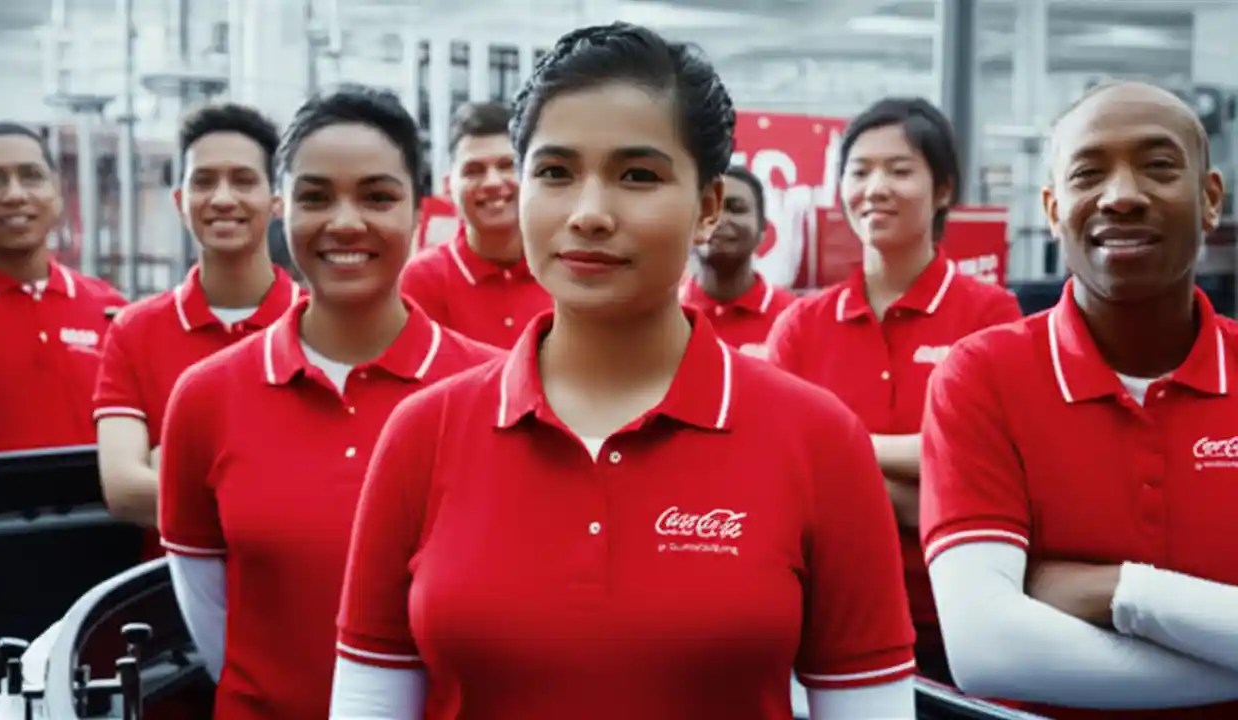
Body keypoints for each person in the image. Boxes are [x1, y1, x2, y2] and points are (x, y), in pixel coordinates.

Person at [331, 23, 915, 719]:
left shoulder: (817, 440)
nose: (589, 214)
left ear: (707, 207)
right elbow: (369, 701)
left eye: (638, 175)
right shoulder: (424, 435)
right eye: (554, 173)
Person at [157, 86, 499, 720]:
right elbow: (210, 617)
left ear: (419, 213)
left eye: (377, 196)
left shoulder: (493, 392)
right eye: (316, 197)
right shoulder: (206, 397)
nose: (346, 222)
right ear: (282, 209)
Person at [921, 79, 1238, 718]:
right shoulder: (982, 376)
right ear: (1052, 207)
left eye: (1158, 167)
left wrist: (1125, 590)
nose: (1120, 197)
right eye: (1088, 173)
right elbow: (988, 650)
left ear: (1209, 200)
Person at [766, 97, 1021, 681]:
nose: (875, 187)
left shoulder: (991, 314)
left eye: (899, 170)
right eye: (859, 171)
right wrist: (921, 479)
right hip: (827, 622)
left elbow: (996, 468)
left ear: (944, 190)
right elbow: (779, 476)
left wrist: (846, 456)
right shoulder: (801, 328)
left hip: (956, 625)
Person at [93, 103, 300, 541]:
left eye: (244, 180)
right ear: (179, 201)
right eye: (203, 181)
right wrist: (279, 496)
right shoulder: (135, 330)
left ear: (276, 201)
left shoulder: (318, 320)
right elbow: (125, 490)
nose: (223, 198)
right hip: (170, 592)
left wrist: (171, 466)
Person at [0, 121, 126, 455]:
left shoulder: (111, 310)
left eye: (31, 176)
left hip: (99, 508)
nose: (15, 195)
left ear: (57, 193)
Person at [400, 101, 551, 347]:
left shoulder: (563, 266)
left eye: (507, 166)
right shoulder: (422, 280)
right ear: (449, 186)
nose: (492, 182)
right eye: (474, 170)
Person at [680, 165, 795, 356]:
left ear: (762, 229)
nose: (719, 219)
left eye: (736, 208)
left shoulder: (793, 316)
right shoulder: (659, 315)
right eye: (707, 208)